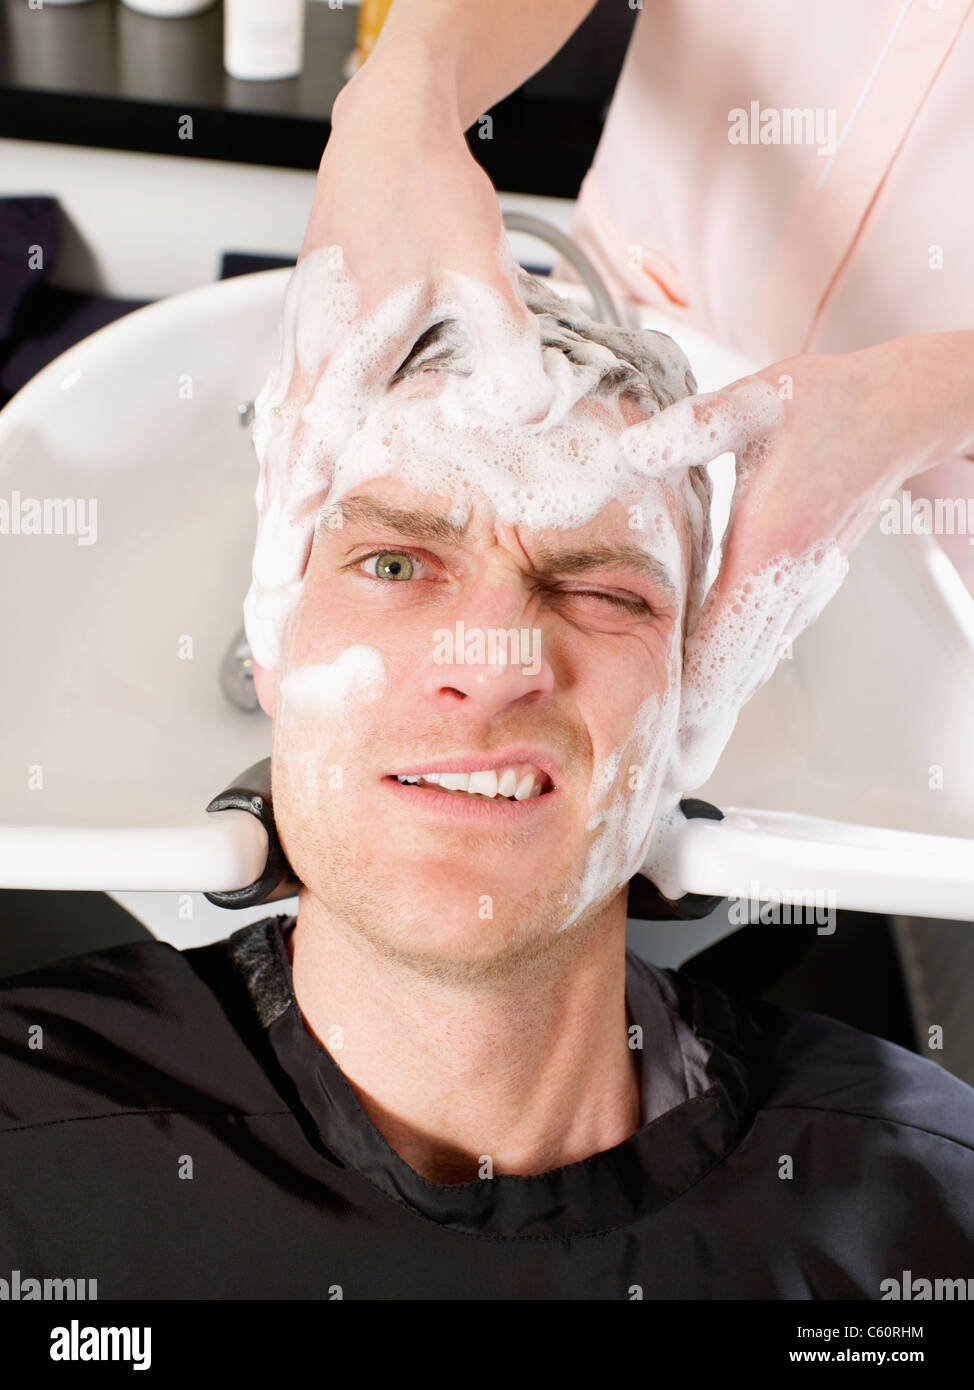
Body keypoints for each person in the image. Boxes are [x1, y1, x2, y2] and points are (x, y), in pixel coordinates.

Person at [1, 267, 972, 1300]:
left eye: (598, 589)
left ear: (695, 696)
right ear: (270, 654)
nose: (495, 657)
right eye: (392, 563)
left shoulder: (911, 1210)